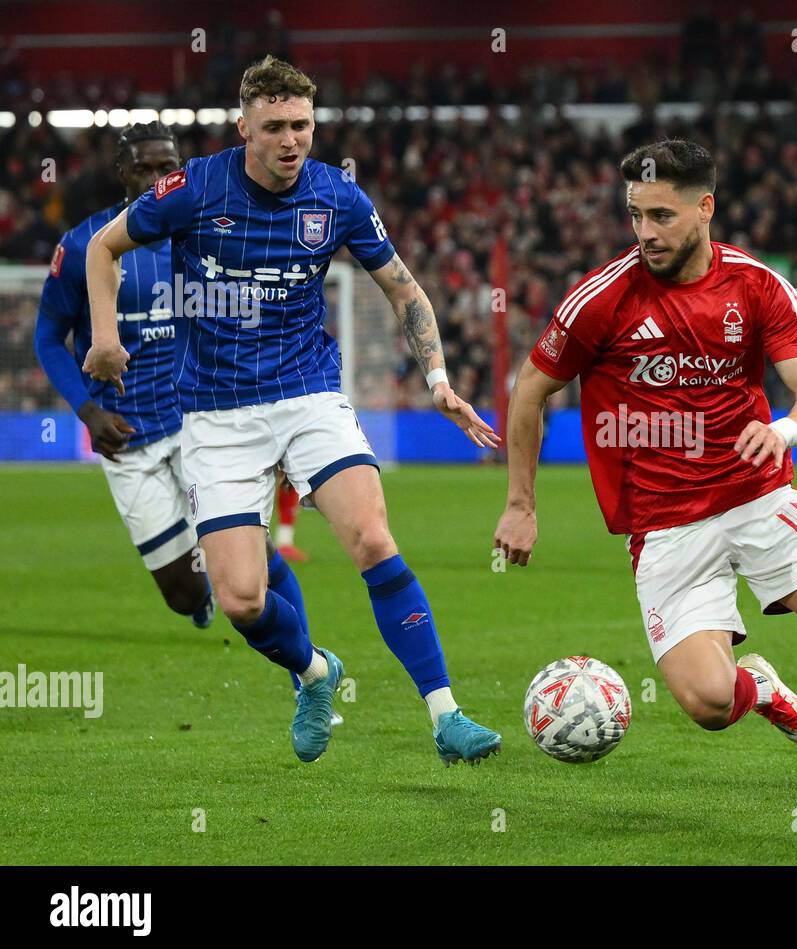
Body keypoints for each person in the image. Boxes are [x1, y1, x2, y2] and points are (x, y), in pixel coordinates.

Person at [494, 139, 797, 828]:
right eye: (634, 216)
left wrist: (784, 431)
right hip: (664, 527)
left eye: (660, 215)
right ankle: (765, 692)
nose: (645, 232)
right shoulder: (602, 299)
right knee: (710, 705)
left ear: (705, 207)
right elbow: (529, 391)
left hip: (760, 497)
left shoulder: (757, 285)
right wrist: (519, 505)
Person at [82, 57, 502, 765]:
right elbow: (104, 246)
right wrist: (102, 337)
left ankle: (446, 716)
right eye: (273, 126)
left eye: (301, 124)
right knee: (243, 601)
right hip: (216, 414)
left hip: (308, 392)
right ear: (243, 127)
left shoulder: (337, 197)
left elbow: (406, 292)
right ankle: (314, 672)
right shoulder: (194, 189)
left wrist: (437, 378)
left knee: (372, 537)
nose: (290, 139)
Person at [35, 122, 213, 629]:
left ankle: (307, 675)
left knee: (248, 556)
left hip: (198, 424)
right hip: (126, 437)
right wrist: (87, 411)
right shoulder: (83, 246)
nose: (157, 178)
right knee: (183, 594)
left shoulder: (202, 238)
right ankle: (203, 596)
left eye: (167, 168)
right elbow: (48, 338)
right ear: (122, 173)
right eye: (144, 169)